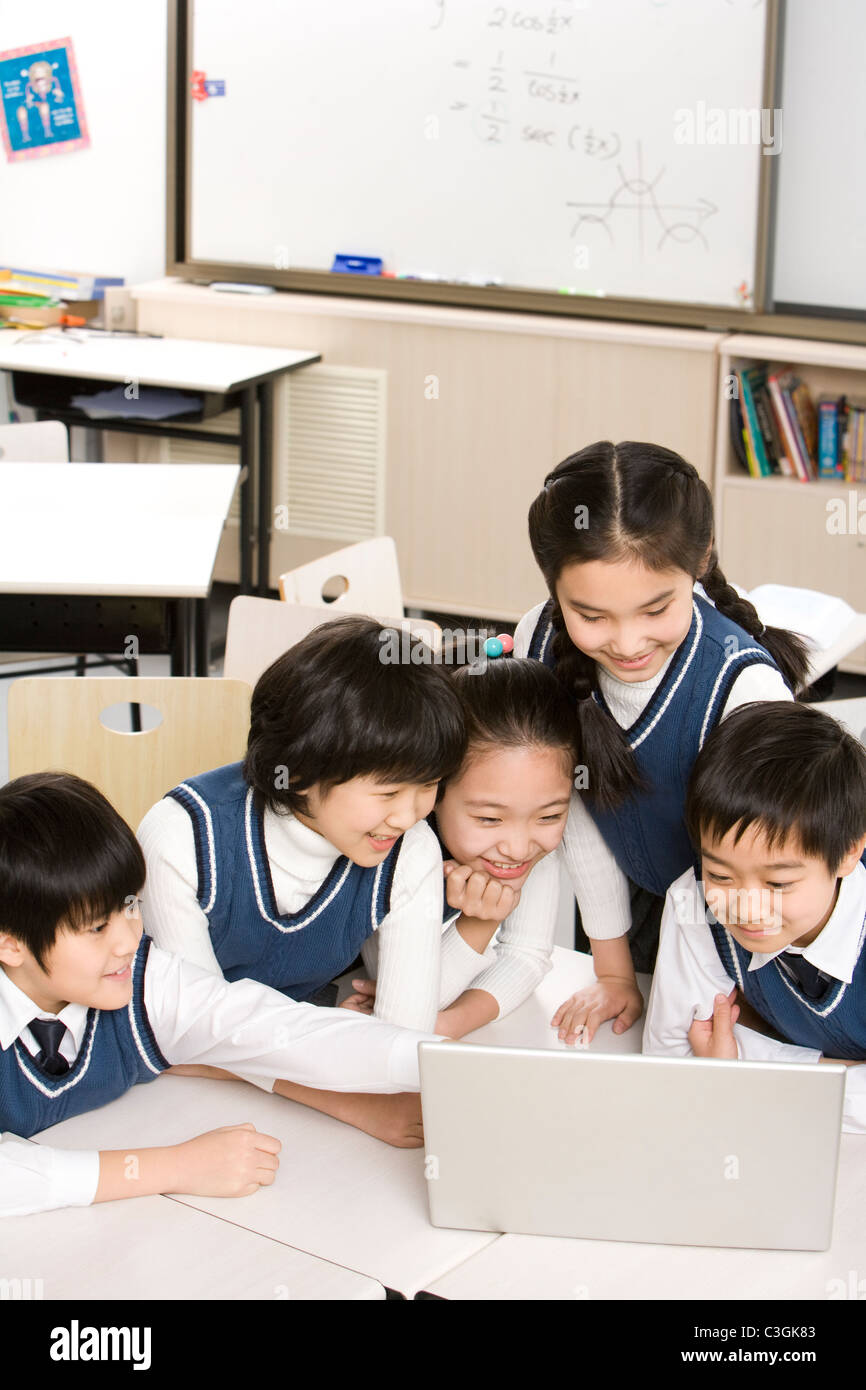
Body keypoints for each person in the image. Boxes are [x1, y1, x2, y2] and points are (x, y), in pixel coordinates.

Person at [0, 773, 445, 1218]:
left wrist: (444, 1065)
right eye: (97, 927)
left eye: (131, 906)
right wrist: (175, 1166)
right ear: (10, 943)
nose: (128, 938)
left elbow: (271, 1030)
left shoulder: (139, 977)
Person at [516, 440, 808, 1044]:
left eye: (656, 609)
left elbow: (786, 877)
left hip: (749, 925)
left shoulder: (744, 690)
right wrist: (614, 971)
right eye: (592, 616)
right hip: (631, 903)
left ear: (698, 563)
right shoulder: (538, 640)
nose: (626, 642)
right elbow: (576, 812)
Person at [138, 615, 465, 1037]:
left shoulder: (410, 848)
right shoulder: (182, 839)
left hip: (285, 1068)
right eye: (387, 794)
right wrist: (321, 1033)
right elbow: (198, 1034)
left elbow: (403, 1037)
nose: (408, 816)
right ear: (297, 772)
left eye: (429, 784)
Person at [642, 701, 866, 1131]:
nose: (746, 906)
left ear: (849, 853)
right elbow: (673, 1058)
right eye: (721, 874)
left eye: (778, 884)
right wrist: (835, 1072)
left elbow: (717, 1064)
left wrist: (747, 1062)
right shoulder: (695, 899)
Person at [343, 655, 578, 1036]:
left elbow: (527, 956)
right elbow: (400, 992)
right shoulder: (394, 841)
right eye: (489, 819)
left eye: (550, 815)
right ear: (434, 790)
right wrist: (480, 922)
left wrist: (445, 1025)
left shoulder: (532, 846)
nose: (518, 848)